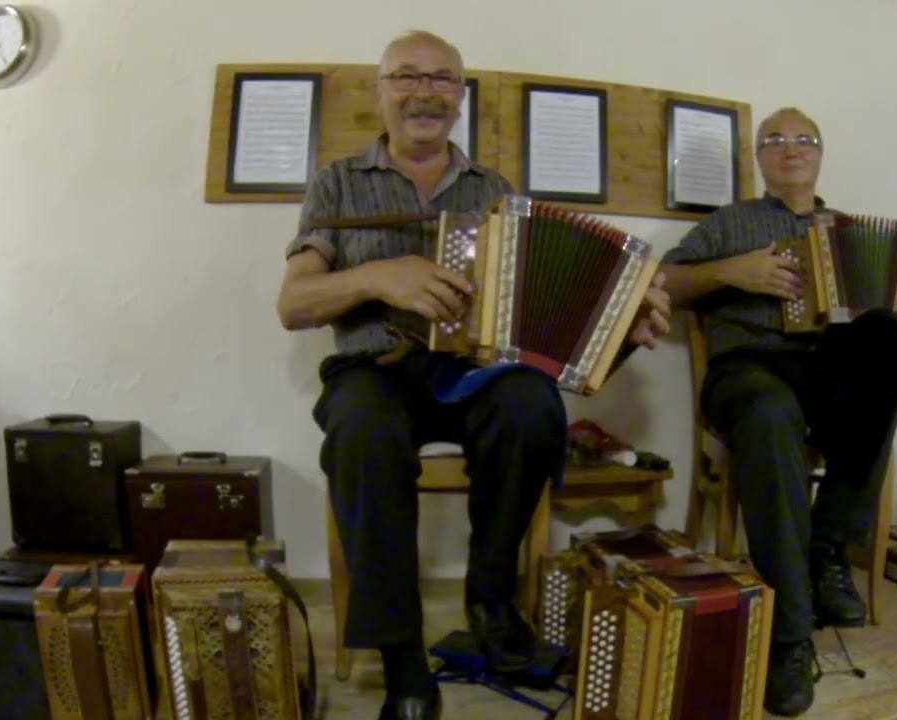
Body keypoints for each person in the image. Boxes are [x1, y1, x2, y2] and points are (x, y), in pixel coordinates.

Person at [275, 30, 671, 720]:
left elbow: (538, 321)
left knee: (533, 406)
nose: (424, 91)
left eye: (441, 79)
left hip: (472, 369)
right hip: (376, 368)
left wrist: (620, 329)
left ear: (459, 98)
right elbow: (293, 303)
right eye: (406, 76)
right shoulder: (337, 183)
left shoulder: (495, 190)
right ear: (380, 92)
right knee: (361, 429)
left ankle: (489, 594)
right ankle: (403, 661)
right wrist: (377, 276)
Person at [659, 107, 897, 716]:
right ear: (759, 157)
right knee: (771, 412)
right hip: (748, 372)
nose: (790, 148)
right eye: (775, 140)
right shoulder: (730, 222)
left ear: (820, 154)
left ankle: (826, 551)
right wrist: (732, 271)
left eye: (803, 139)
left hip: (827, 374)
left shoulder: (848, 227)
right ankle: (791, 639)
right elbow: (661, 281)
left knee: (892, 350)